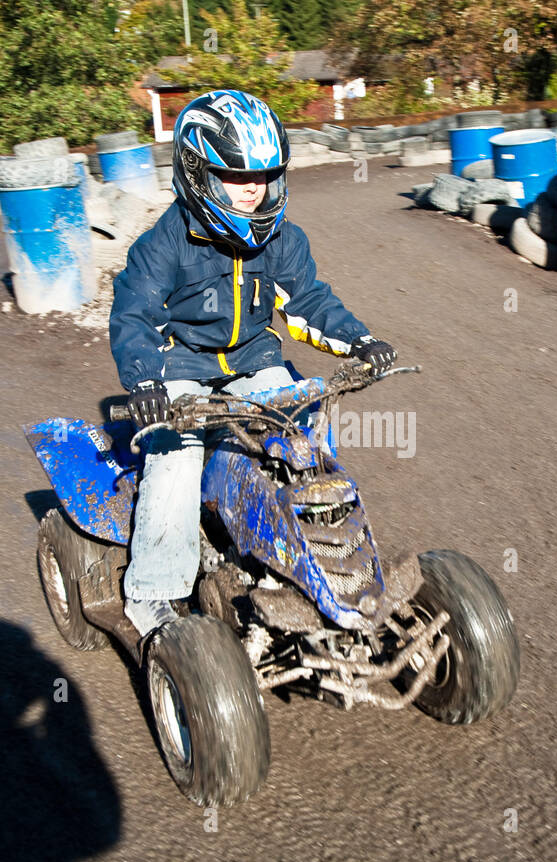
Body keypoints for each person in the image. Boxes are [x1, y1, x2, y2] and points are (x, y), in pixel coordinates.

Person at [108, 89, 397, 640]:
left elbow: (308, 303)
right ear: (197, 174)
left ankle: (315, 565)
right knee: (175, 459)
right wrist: (144, 378)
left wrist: (360, 341)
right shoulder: (161, 246)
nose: (254, 188)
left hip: (254, 363)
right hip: (180, 372)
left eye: (265, 175)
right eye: (238, 176)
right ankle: (155, 593)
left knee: (303, 435)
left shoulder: (283, 241)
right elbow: (133, 317)